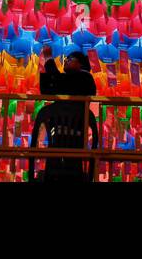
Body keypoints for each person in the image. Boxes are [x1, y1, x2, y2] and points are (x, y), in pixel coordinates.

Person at [33, 46, 97, 181]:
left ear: (81, 65)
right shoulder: (69, 79)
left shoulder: (85, 77)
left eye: (70, 59)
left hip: (74, 135)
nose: (66, 61)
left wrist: (49, 58)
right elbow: (48, 89)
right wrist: (44, 69)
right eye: (66, 59)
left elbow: (59, 82)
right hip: (60, 135)